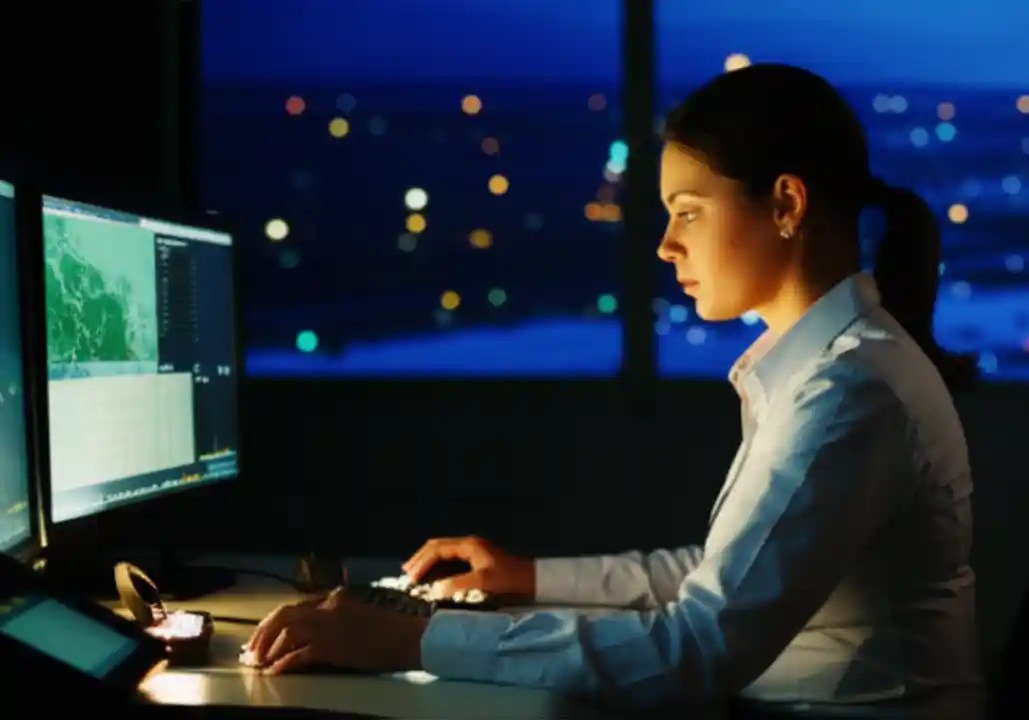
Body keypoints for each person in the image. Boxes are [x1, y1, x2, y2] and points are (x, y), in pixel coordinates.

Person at [246, 63, 984, 718]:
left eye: (688, 211)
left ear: (787, 205)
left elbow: (701, 645)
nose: (666, 245)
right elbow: (721, 575)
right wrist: (524, 578)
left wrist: (412, 638)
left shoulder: (848, 390)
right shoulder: (826, 369)